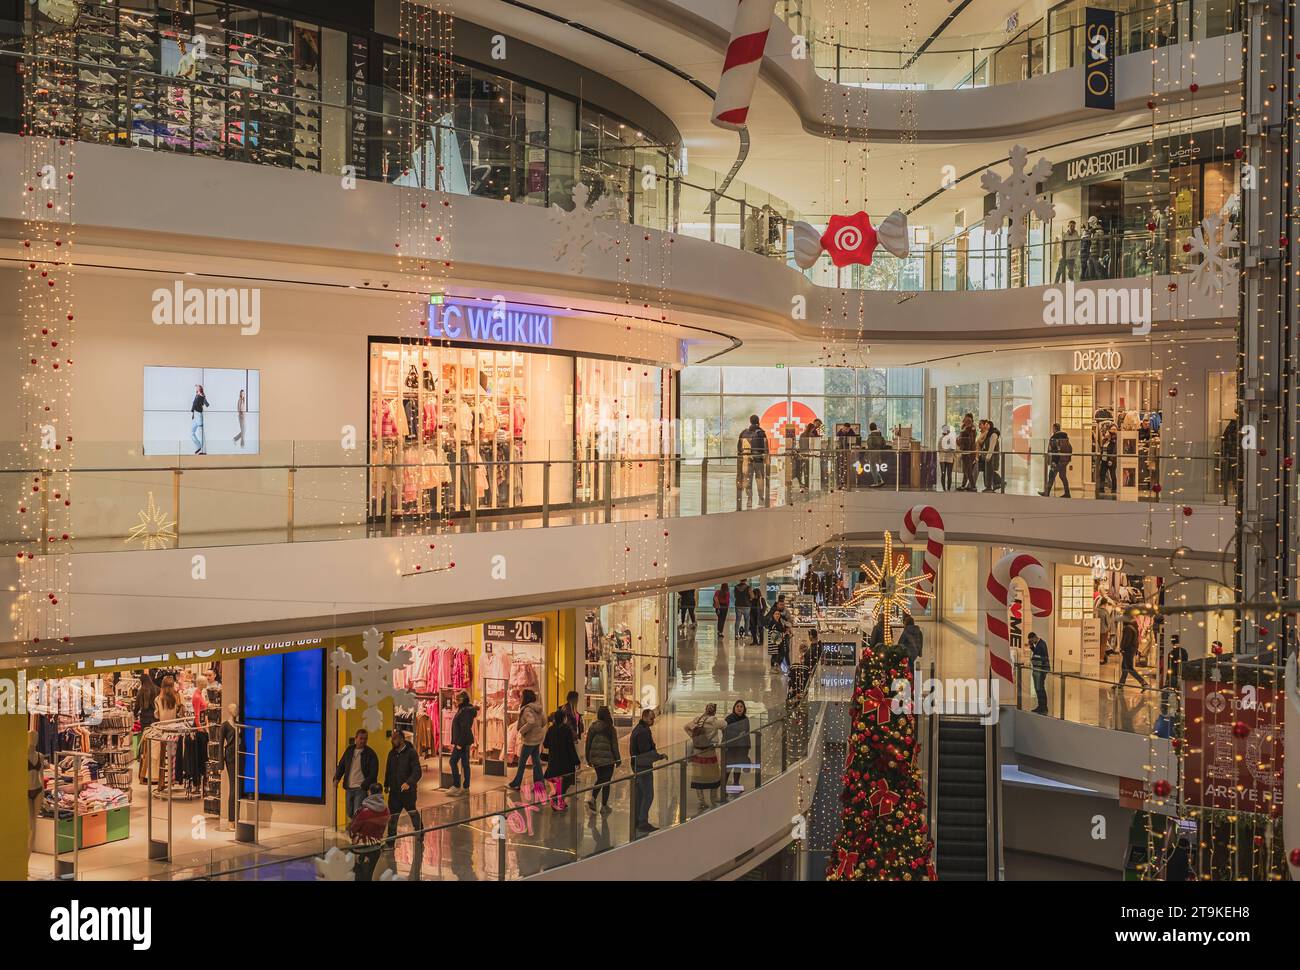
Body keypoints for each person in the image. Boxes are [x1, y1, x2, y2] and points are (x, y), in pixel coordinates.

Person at [629, 708, 666, 834]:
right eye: (651, 718)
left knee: (640, 794)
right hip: (643, 767)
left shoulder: (638, 729)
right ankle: (642, 821)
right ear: (644, 717)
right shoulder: (643, 732)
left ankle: (637, 820)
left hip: (637, 765)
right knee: (648, 794)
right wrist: (658, 756)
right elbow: (646, 752)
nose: (653, 721)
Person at [384, 728, 423, 840]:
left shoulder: (411, 753)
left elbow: (417, 771)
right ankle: (391, 841)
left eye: (395, 738)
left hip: (408, 792)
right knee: (393, 818)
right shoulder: (391, 754)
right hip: (394, 792)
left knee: (413, 813)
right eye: (392, 738)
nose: (392, 740)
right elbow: (388, 770)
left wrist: (408, 783)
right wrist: (386, 784)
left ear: (401, 739)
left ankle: (420, 834)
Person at [685, 703, 725, 811]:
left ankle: (702, 801)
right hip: (709, 751)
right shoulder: (714, 721)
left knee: (698, 777)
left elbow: (686, 727)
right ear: (714, 711)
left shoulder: (698, 720)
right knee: (714, 775)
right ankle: (714, 798)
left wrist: (694, 738)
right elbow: (725, 724)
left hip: (697, 752)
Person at [347, 783, 390, 881]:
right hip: (376, 848)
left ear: (369, 792)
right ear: (381, 792)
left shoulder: (363, 812)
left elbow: (352, 831)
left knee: (358, 876)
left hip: (360, 850)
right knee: (368, 876)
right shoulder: (386, 810)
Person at [507, 688, 547, 795]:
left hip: (529, 740)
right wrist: (538, 730)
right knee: (536, 763)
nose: (520, 698)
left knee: (522, 763)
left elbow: (531, 722)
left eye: (522, 696)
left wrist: (521, 730)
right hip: (537, 739)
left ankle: (516, 783)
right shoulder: (538, 708)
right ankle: (540, 785)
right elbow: (544, 720)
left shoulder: (527, 709)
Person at [334, 728, 380, 819]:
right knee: (349, 812)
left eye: (365, 739)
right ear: (356, 738)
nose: (363, 741)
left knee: (357, 813)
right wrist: (336, 778)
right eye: (361, 738)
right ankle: (356, 829)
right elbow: (342, 765)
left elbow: (373, 773)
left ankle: (356, 831)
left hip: (360, 788)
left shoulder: (370, 754)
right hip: (349, 787)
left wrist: (365, 785)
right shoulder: (349, 750)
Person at [584, 705, 621, 813]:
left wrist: (588, 758)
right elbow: (614, 745)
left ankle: (593, 799)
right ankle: (603, 805)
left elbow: (588, 743)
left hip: (595, 759)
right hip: (608, 759)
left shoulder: (592, 727)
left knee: (601, 778)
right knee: (606, 781)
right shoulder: (610, 728)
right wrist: (618, 759)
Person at [542, 709, 580, 812]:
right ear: (564, 718)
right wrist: (577, 761)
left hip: (554, 760)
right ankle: (558, 800)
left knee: (558, 780)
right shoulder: (567, 730)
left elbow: (545, 744)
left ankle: (559, 800)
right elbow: (570, 747)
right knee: (566, 781)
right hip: (566, 761)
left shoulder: (551, 729)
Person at [447, 690, 477, 795]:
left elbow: (465, 729)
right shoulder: (464, 709)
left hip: (462, 741)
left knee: (453, 761)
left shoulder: (465, 711)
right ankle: (465, 787)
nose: (455, 701)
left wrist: (459, 744)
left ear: (462, 700)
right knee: (465, 764)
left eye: (457, 699)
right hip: (464, 740)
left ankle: (457, 785)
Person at [737, 414, 769, 508]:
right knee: (760, 479)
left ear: (750, 421)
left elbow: (739, 447)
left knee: (748, 479)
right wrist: (766, 460)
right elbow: (765, 448)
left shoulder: (744, 433)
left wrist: (742, 458)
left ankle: (749, 500)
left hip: (747, 460)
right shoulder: (761, 433)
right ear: (758, 422)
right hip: (758, 460)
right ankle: (761, 499)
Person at [721, 700, 751, 790]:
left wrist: (747, 747)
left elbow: (747, 733)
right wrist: (737, 735)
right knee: (728, 768)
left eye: (741, 706)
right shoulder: (729, 719)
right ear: (734, 708)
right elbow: (725, 732)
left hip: (741, 748)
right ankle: (723, 787)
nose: (739, 708)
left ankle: (736, 784)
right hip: (730, 748)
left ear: (744, 709)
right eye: (737, 706)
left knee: (737, 767)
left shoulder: (746, 719)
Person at [1039, 423, 1073, 497]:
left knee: (1051, 475)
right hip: (1064, 461)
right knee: (1063, 476)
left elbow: (1054, 451)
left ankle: (1047, 493)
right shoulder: (1065, 438)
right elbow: (1070, 448)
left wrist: (1053, 462)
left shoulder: (1054, 438)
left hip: (1057, 461)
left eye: (1053, 428)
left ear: (1054, 428)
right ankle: (1067, 493)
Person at [27, 730, 45, 854]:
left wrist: (43, 791)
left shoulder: (40, 756)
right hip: (26, 791)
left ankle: (29, 854)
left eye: (36, 737)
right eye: (32, 737)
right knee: (30, 826)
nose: (34, 739)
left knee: (34, 826)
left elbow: (42, 774)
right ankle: (26, 858)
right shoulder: (23, 755)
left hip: (38, 790)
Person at [1118, 621, 1148, 690]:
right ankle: (1121, 684)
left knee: (1129, 668)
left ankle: (1143, 683)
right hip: (1131, 650)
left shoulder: (1128, 628)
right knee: (1124, 668)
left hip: (1128, 651)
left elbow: (1126, 640)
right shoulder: (1133, 627)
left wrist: (1122, 648)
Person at [1028, 631, 1051, 714]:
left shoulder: (1041, 644)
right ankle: (1041, 706)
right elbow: (1037, 653)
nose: (1031, 642)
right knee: (1039, 688)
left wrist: (1033, 659)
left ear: (1034, 637)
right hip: (1039, 669)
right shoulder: (1039, 644)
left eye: (1031, 640)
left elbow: (1042, 657)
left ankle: (1043, 707)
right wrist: (1031, 647)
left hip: (1040, 670)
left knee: (1040, 688)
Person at [957, 414, 978, 491]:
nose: (963, 421)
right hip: (966, 452)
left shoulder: (970, 430)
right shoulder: (969, 429)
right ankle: (963, 485)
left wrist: (959, 439)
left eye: (965, 420)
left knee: (968, 470)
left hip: (968, 453)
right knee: (965, 470)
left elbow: (966, 441)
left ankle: (973, 486)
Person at [981, 419, 1003, 492]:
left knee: (990, 472)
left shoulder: (993, 434)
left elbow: (991, 447)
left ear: (990, 425)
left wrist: (988, 456)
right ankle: (997, 483)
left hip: (992, 457)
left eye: (987, 425)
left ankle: (992, 486)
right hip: (989, 456)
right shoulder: (989, 434)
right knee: (989, 471)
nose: (985, 426)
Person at [864, 422, 887, 487]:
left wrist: (866, 455)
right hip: (879, 453)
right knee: (874, 469)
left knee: (873, 468)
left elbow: (869, 446)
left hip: (872, 454)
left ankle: (876, 482)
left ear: (870, 428)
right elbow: (884, 444)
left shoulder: (871, 436)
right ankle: (881, 480)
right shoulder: (880, 436)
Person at [937, 423, 958, 491]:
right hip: (946, 458)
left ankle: (946, 489)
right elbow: (953, 449)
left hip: (945, 458)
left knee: (945, 474)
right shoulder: (948, 439)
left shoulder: (941, 439)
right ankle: (946, 489)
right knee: (948, 474)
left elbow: (940, 449)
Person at [1098, 426, 1118, 496]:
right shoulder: (1104, 440)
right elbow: (1102, 449)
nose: (1106, 433)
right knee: (1102, 474)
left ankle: (1114, 489)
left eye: (1115, 429)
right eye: (1112, 429)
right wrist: (1100, 458)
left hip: (1111, 460)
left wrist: (1111, 460)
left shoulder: (1115, 441)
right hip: (1104, 460)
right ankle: (1101, 488)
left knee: (1112, 474)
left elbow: (1115, 451)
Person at [190, 384, 209, 455]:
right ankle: (198, 446)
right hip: (195, 416)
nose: (196, 388)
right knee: (191, 433)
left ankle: (203, 451)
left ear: (200, 389)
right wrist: (193, 415)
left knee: (201, 434)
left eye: (197, 387)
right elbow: (194, 405)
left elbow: (207, 404)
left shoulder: (201, 396)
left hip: (199, 416)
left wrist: (203, 398)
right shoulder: (196, 395)